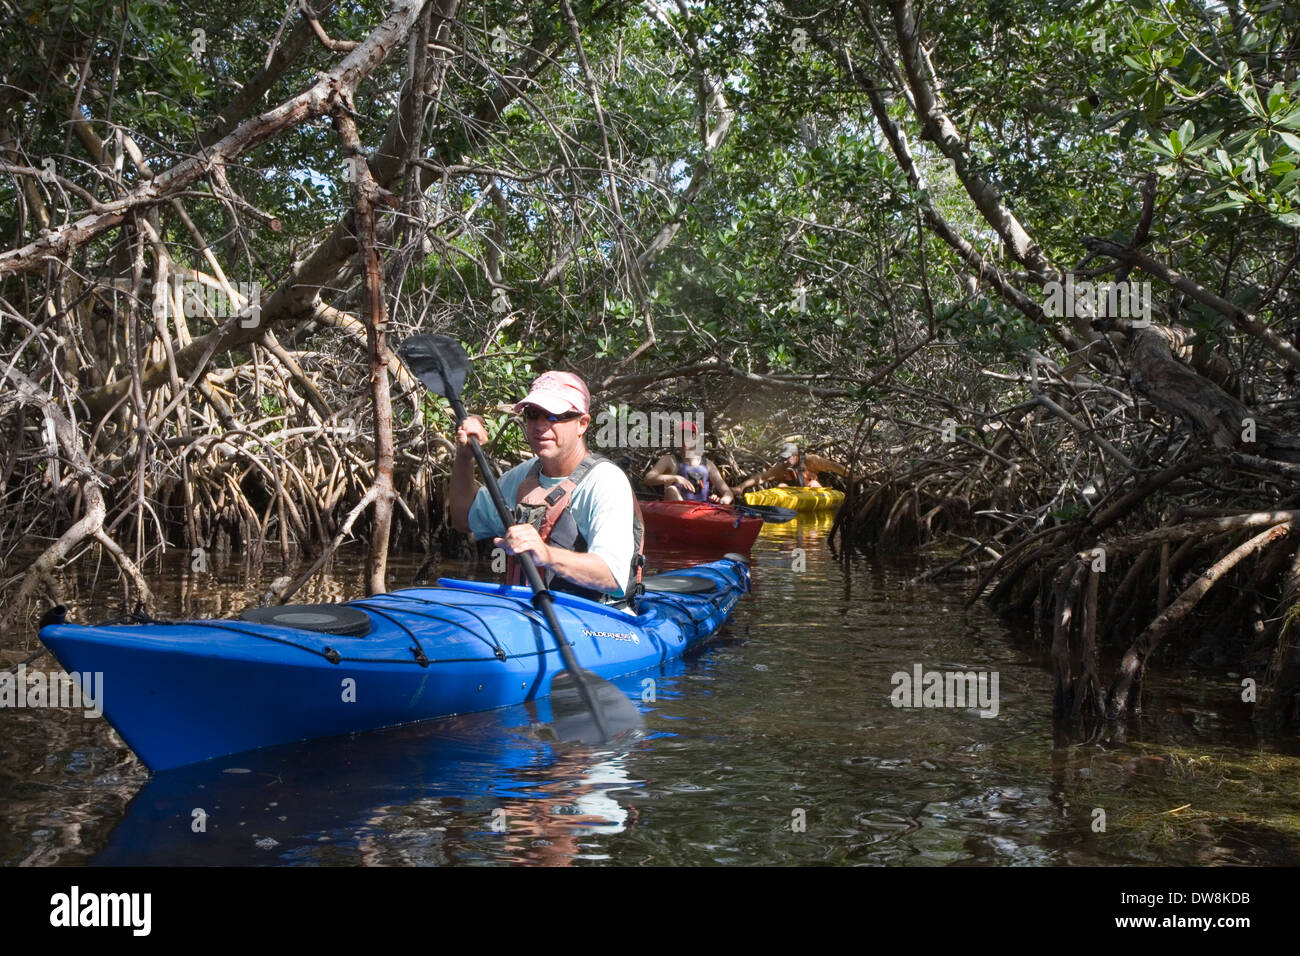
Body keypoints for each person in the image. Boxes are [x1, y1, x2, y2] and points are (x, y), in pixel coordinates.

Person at [449, 370, 642, 607]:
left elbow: (611, 576)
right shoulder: (525, 474)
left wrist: (547, 555)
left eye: (553, 416)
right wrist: (464, 457)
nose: (540, 426)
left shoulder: (606, 481)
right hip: (528, 612)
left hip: (595, 618)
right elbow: (463, 519)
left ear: (582, 424)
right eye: (533, 414)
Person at [643, 420, 735, 505]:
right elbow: (648, 479)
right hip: (677, 509)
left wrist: (721, 501)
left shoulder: (708, 465)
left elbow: (728, 492)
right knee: (671, 490)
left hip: (701, 511)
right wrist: (675, 478)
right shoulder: (669, 460)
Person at [735, 442, 848, 492]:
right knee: (781, 486)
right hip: (794, 494)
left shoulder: (811, 460)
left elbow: (832, 466)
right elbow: (762, 477)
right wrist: (741, 487)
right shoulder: (781, 467)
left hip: (812, 491)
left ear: (796, 456)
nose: (784, 461)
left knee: (813, 484)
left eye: (787, 458)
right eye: (783, 458)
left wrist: (851, 475)